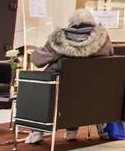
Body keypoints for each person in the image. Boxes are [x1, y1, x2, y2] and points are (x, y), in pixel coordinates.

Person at [24, 8, 114, 143]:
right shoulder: (103, 39)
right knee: (79, 88)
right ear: (92, 22)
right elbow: (111, 56)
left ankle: (37, 131)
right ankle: (71, 130)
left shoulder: (60, 38)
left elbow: (38, 60)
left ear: (71, 23)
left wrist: (36, 51)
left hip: (60, 88)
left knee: (39, 85)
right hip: (92, 90)